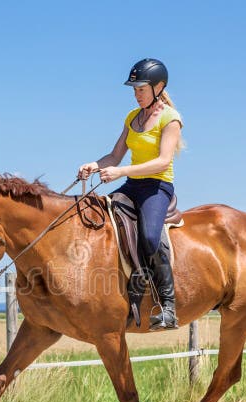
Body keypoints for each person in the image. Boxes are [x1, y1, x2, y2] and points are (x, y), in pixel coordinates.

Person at [77, 58, 183, 330]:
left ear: (159, 87)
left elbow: (163, 162)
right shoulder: (132, 117)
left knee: (149, 237)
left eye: (141, 89)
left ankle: (168, 307)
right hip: (132, 186)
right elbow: (114, 155)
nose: (137, 95)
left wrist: (121, 172)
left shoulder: (171, 118)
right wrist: (94, 165)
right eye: (135, 90)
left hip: (156, 186)